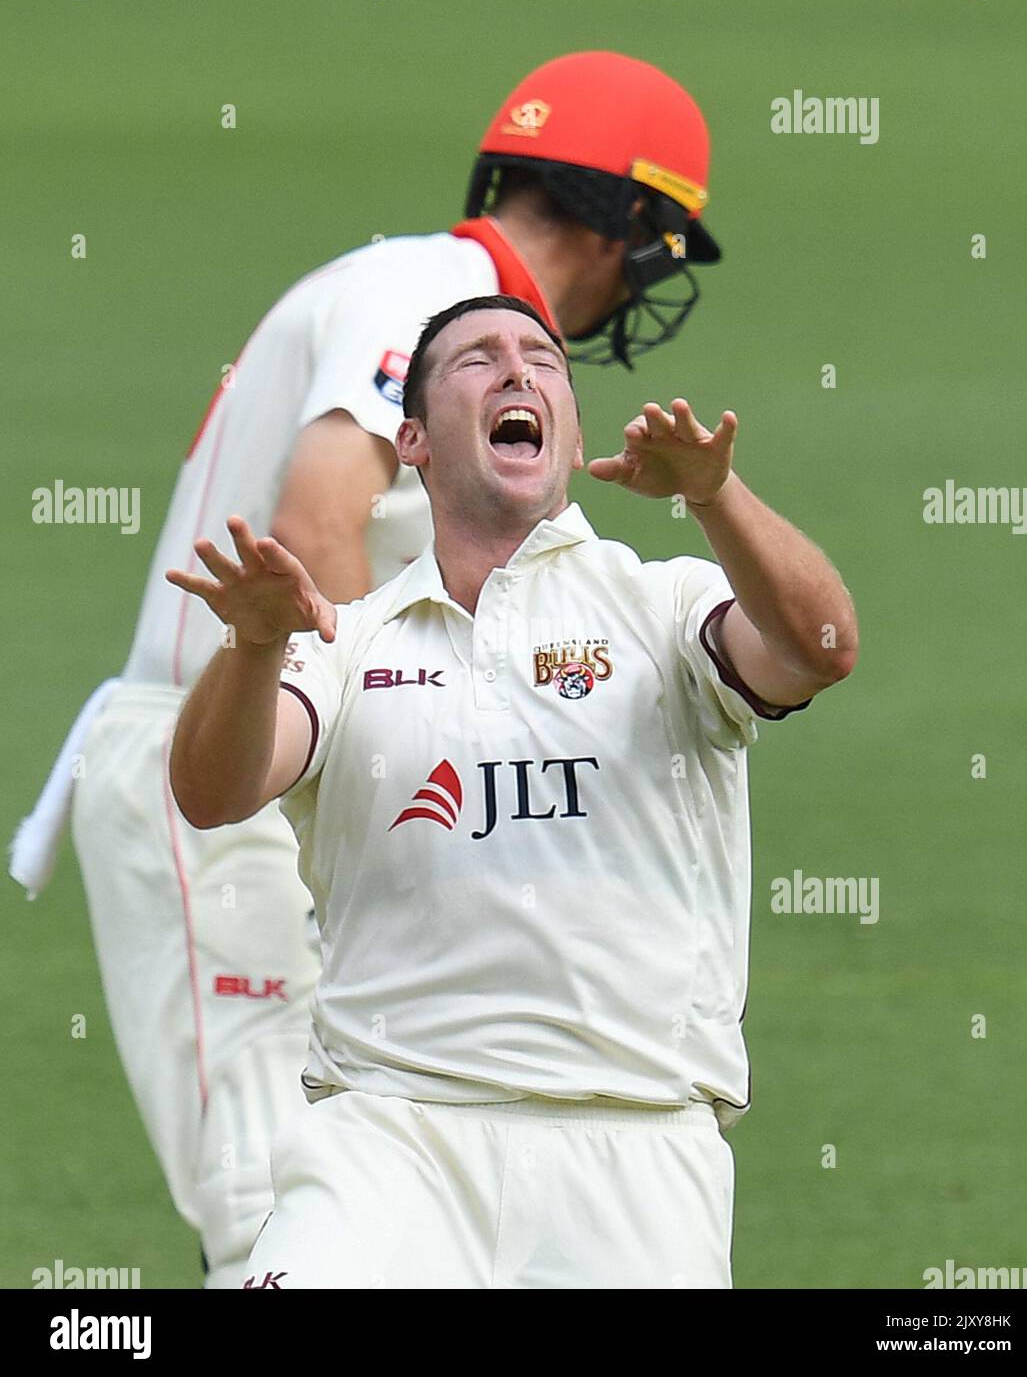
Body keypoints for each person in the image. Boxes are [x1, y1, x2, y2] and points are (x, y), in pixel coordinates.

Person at [10, 53, 727, 1287]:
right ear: (632, 226)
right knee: (269, 1207)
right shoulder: (435, 293)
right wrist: (387, 736)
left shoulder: (425, 289)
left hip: (292, 758)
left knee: (363, 1197)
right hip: (236, 770)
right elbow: (318, 515)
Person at [167, 295, 858, 1289]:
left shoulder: (662, 606)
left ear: (570, 435)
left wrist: (715, 494)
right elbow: (211, 790)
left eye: (542, 359)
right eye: (475, 361)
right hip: (391, 1135)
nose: (517, 371)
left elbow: (818, 649)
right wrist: (254, 642)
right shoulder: (350, 644)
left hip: (632, 1139)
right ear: (411, 437)